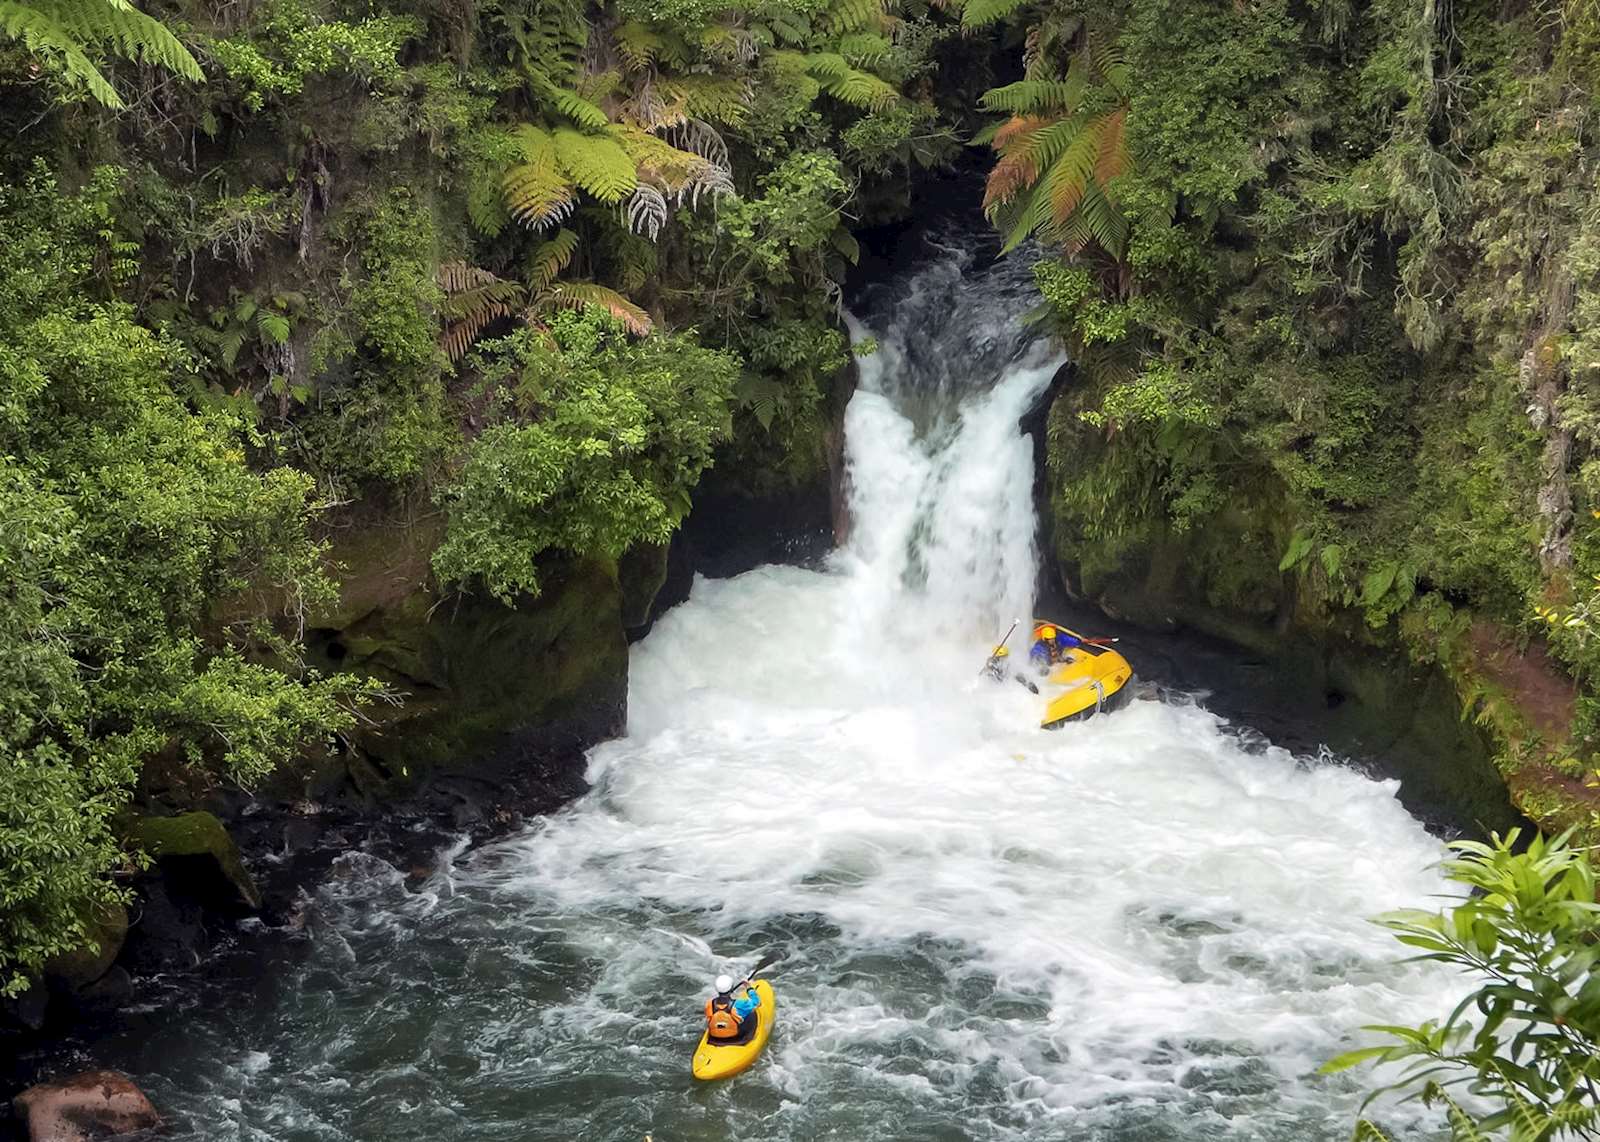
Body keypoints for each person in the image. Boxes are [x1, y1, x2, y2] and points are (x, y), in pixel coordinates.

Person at [704, 973, 761, 1041]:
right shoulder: (739, 1004)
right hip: (736, 1037)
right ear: (731, 988)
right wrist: (749, 988)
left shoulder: (709, 1004)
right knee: (752, 1012)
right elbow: (757, 1002)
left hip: (715, 1037)